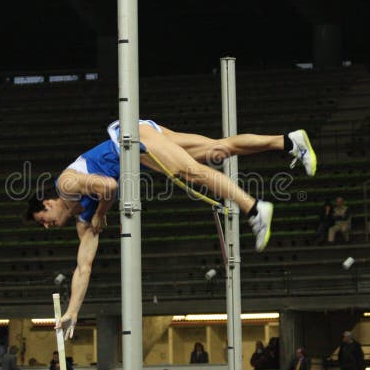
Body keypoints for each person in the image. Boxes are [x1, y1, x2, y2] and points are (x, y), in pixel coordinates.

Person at [27, 121, 317, 337]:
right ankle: (290, 142)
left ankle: (253, 208)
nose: (47, 226)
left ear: (48, 203)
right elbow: (83, 267)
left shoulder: (66, 184)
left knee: (189, 172)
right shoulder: (83, 223)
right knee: (218, 149)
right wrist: (72, 311)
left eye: (43, 219)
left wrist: (101, 213)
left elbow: (109, 186)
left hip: (130, 139)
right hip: (138, 139)